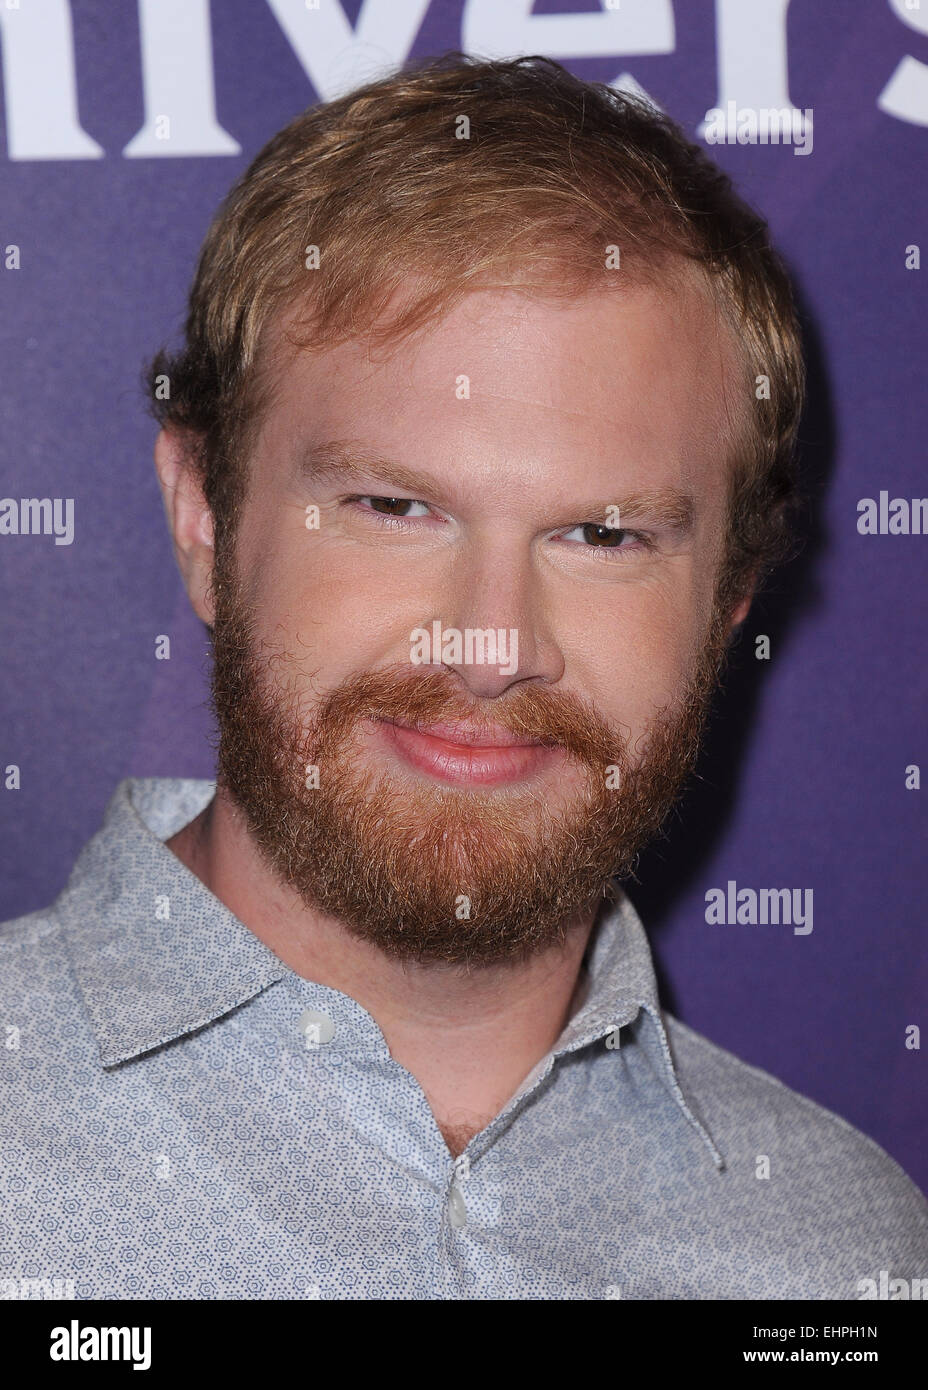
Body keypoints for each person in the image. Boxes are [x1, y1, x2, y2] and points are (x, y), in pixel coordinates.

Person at [1, 53, 925, 1302]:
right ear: (204, 520)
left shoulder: (844, 1260)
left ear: (731, 599)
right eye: (394, 507)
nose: (490, 648)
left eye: (603, 536)